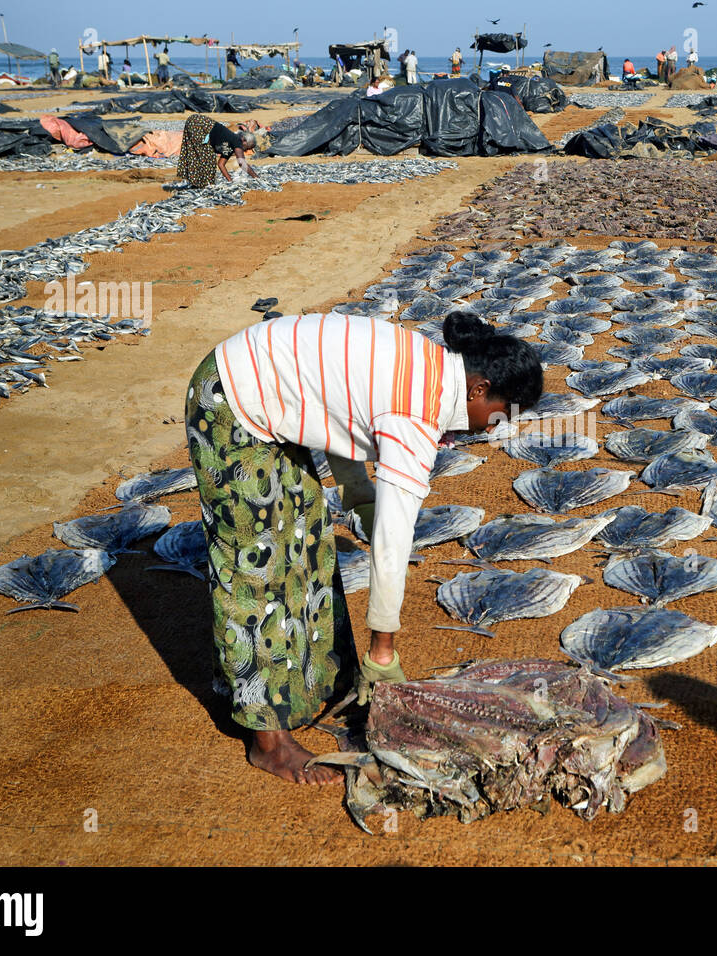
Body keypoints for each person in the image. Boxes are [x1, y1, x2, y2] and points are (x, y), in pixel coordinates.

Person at [184, 311, 542, 784]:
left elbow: (336, 411)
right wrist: (383, 650)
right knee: (258, 562)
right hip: (231, 401)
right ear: (478, 389)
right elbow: (393, 544)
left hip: (270, 397)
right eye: (500, 414)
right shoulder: (417, 411)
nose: (495, 428)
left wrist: (358, 496)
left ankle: (306, 688)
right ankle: (266, 740)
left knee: (305, 540)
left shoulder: (435, 368)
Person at [176, 115, 258, 188]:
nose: (246, 150)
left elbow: (221, 164)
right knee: (207, 159)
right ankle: (202, 184)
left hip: (195, 122)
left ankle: (198, 183)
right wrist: (256, 178)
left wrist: (230, 181)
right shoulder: (237, 141)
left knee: (202, 156)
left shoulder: (230, 146)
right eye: (248, 147)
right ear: (244, 140)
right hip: (199, 123)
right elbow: (241, 163)